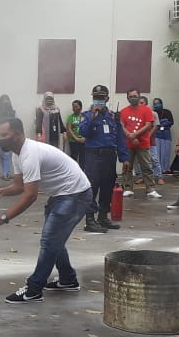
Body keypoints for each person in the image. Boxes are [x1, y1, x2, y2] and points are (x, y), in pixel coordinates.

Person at [0, 117, 93, 302]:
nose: (0, 139)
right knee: (54, 240)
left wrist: (2, 218)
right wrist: (2, 191)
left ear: (18, 135)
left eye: (4, 135)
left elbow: (30, 195)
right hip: (62, 194)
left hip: (75, 194)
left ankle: (34, 289)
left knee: (50, 241)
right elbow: (19, 186)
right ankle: (68, 280)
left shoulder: (30, 154)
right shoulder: (17, 154)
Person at [79, 85, 129, 233]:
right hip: (93, 155)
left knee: (108, 187)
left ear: (107, 99)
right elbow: (84, 132)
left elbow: (120, 138)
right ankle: (90, 220)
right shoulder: (87, 115)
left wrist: (124, 157)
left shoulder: (113, 116)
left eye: (101, 97)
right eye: (96, 97)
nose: (98, 100)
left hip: (110, 156)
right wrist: (93, 117)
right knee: (92, 187)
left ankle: (103, 216)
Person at [120, 89, 161, 198]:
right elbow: (121, 126)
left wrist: (135, 135)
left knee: (147, 167)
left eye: (135, 96)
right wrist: (129, 136)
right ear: (127, 98)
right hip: (128, 144)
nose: (133, 98)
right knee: (127, 167)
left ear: (139, 96)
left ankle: (151, 189)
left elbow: (148, 125)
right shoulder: (123, 111)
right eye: (130, 96)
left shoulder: (146, 110)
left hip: (143, 143)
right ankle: (127, 188)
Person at [0, 94, 16, 179]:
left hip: (10, 135)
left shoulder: (13, 112)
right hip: (0, 135)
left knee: (8, 155)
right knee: (4, 155)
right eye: (4, 100)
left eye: (7, 100)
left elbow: (16, 122)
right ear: (1, 102)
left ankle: (6, 173)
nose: (6, 102)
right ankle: (6, 173)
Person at [152, 97, 174, 177]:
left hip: (166, 135)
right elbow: (153, 124)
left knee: (166, 153)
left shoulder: (167, 112)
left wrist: (161, 124)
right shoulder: (153, 113)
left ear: (161, 103)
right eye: (155, 104)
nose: (156, 105)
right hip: (157, 135)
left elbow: (171, 122)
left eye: (158, 103)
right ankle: (158, 170)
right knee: (157, 154)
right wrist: (164, 122)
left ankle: (165, 169)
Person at [65, 100, 86, 168]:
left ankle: (82, 171)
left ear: (80, 107)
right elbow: (69, 129)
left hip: (83, 140)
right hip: (73, 140)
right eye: (73, 107)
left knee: (83, 158)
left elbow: (87, 127)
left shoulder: (84, 116)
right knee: (74, 157)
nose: (74, 108)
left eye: (76, 106)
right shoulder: (70, 117)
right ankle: (73, 171)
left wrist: (84, 138)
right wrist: (76, 138)